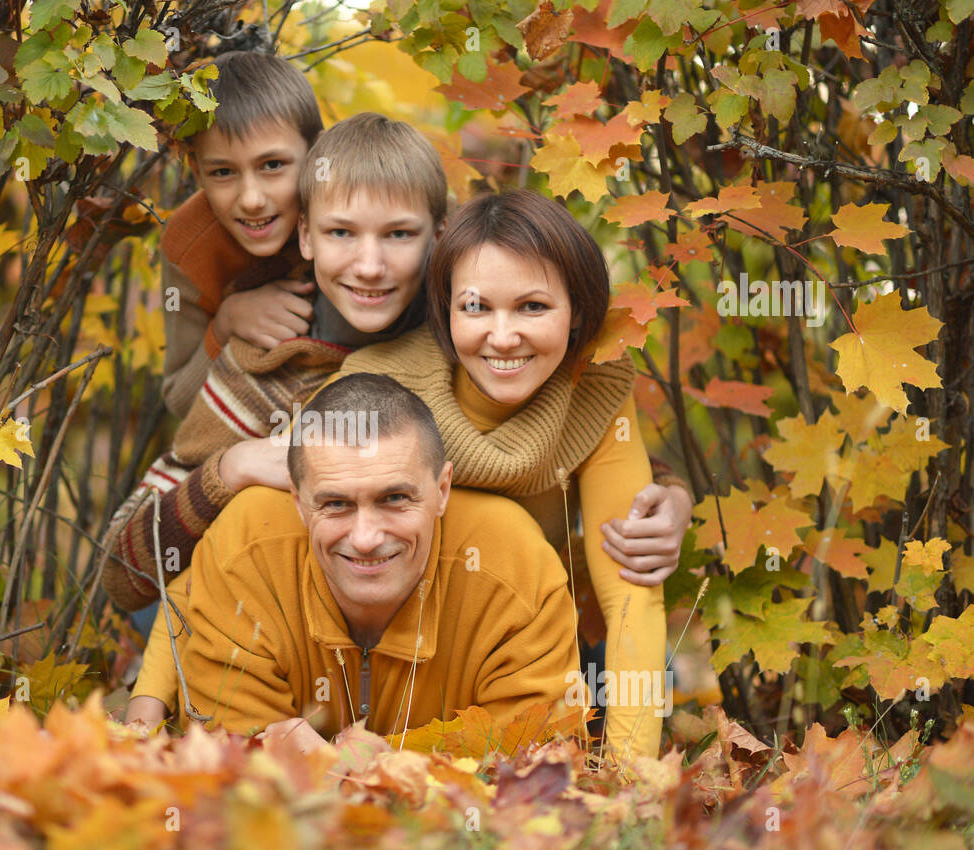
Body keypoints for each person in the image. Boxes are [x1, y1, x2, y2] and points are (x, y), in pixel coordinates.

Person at [335, 189, 691, 761]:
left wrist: (630, 777)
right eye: (476, 307)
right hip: (402, 658)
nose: (502, 337)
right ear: (445, 310)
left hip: (531, 652)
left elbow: (631, 587)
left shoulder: (593, 387)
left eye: (533, 307)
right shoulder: (379, 390)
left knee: (651, 685)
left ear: (577, 311)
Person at [103, 112, 446, 611]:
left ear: (437, 235)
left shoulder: (470, 341)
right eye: (341, 234)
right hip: (277, 648)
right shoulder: (267, 368)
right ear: (305, 235)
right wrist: (233, 467)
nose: (370, 267)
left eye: (398, 235)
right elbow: (123, 575)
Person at [137, 374, 580, 746]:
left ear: (442, 490)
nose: (366, 538)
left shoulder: (513, 563)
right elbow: (232, 750)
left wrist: (355, 764)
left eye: (394, 498)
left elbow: (538, 760)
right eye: (335, 504)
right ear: (297, 500)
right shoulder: (247, 546)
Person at [159, 50, 322, 418]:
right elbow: (179, 401)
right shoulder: (187, 249)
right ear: (197, 173)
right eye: (223, 173)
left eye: (273, 165)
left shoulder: (356, 201)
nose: (251, 200)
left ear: (316, 153)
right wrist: (226, 324)